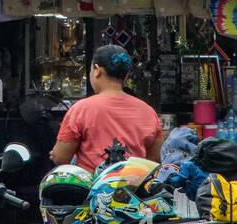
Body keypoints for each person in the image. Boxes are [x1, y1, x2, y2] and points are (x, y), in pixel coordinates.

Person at [50, 44, 163, 172]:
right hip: (133, 188)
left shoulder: (81, 109)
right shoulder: (147, 111)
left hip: (92, 189)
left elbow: (60, 157)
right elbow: (154, 158)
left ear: (97, 70)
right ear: (125, 75)